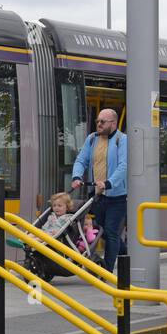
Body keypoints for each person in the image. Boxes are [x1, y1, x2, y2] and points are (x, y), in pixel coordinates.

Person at [70, 107, 128, 272]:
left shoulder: (122, 140)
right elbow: (81, 160)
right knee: (101, 230)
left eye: (103, 121)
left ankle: (107, 271)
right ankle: (126, 254)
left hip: (117, 196)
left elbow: (124, 166)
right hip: (97, 195)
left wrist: (109, 183)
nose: (99, 124)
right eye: (97, 121)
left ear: (113, 123)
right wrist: (76, 177)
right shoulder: (92, 139)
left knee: (110, 231)